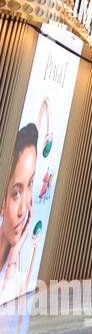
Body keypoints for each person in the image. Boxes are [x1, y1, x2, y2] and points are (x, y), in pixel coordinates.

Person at [0, 124, 39, 301]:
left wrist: (14, 253)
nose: (23, 210)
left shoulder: (17, 278)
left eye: (30, 184)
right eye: (16, 193)